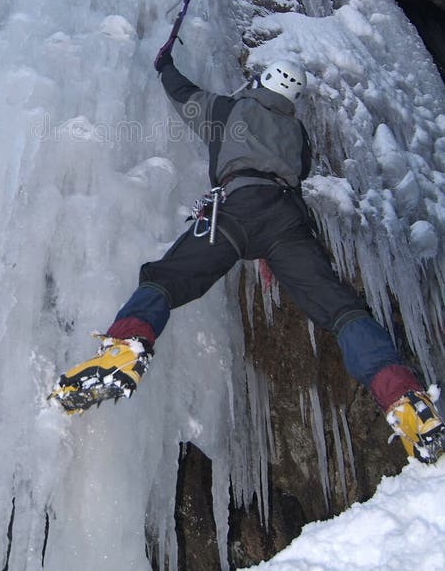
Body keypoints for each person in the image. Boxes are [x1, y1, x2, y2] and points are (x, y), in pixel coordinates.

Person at [51, 51, 445, 464]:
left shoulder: (228, 109)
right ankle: (405, 399)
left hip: (235, 211)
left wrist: (165, 64)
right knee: (342, 309)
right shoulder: (299, 135)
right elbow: (297, 173)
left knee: (164, 280)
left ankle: (125, 350)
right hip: (288, 223)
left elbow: (185, 95)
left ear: (262, 82)